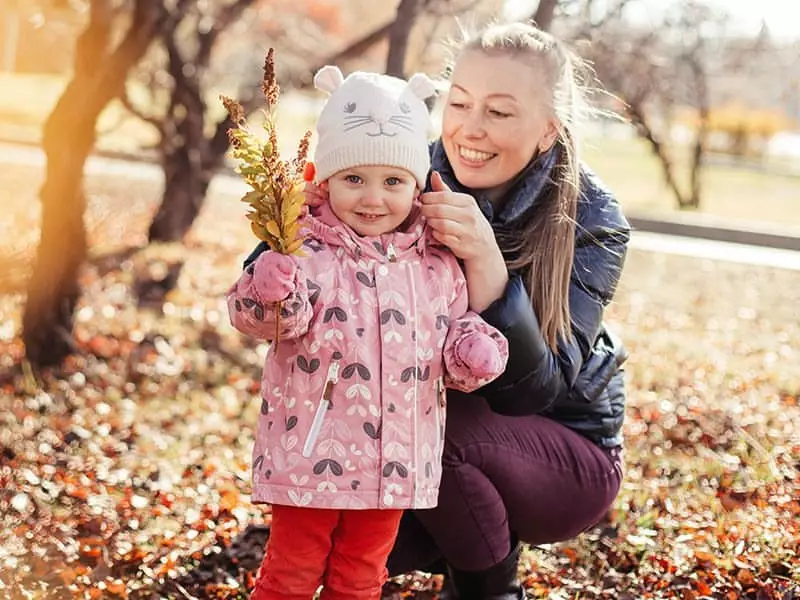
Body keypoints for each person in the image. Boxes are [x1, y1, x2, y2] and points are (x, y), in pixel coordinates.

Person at [296, 21, 630, 599]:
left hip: (563, 454)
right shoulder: (399, 171)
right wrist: (297, 225)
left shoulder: (592, 221)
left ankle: (489, 591)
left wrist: (486, 261)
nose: (470, 130)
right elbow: (295, 261)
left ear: (548, 129)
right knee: (338, 537)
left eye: (499, 113)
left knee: (434, 430)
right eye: (459, 102)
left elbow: (536, 392)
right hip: (423, 426)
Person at [227, 66, 509, 600]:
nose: (373, 198)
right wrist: (268, 288)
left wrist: (473, 351)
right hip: (311, 453)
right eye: (354, 178)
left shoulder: (436, 262)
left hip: (395, 460)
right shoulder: (307, 250)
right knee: (290, 572)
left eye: (393, 181)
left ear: (419, 185)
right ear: (325, 179)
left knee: (360, 577)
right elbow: (265, 322)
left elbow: (452, 333)